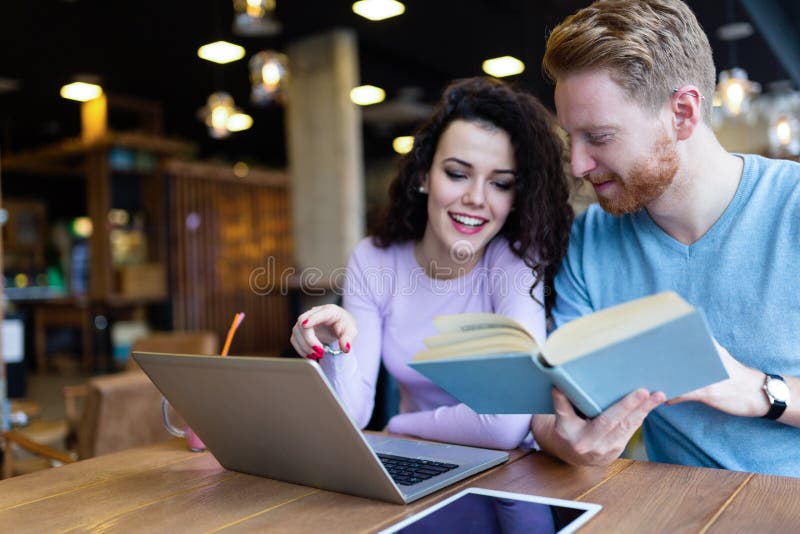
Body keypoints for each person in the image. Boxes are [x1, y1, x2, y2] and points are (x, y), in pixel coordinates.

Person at [531, 0, 800, 476]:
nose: (577, 165)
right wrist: (562, 440)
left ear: (682, 112)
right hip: (671, 509)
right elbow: (558, 406)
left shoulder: (792, 208)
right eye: (572, 138)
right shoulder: (590, 239)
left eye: (599, 136)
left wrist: (761, 390)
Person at [290, 76, 573, 450]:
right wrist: (334, 351)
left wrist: (404, 426)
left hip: (511, 473)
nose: (476, 198)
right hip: (419, 464)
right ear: (424, 174)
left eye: (500, 184)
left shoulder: (516, 258)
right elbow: (351, 414)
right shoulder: (375, 260)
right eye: (457, 174)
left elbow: (506, 423)